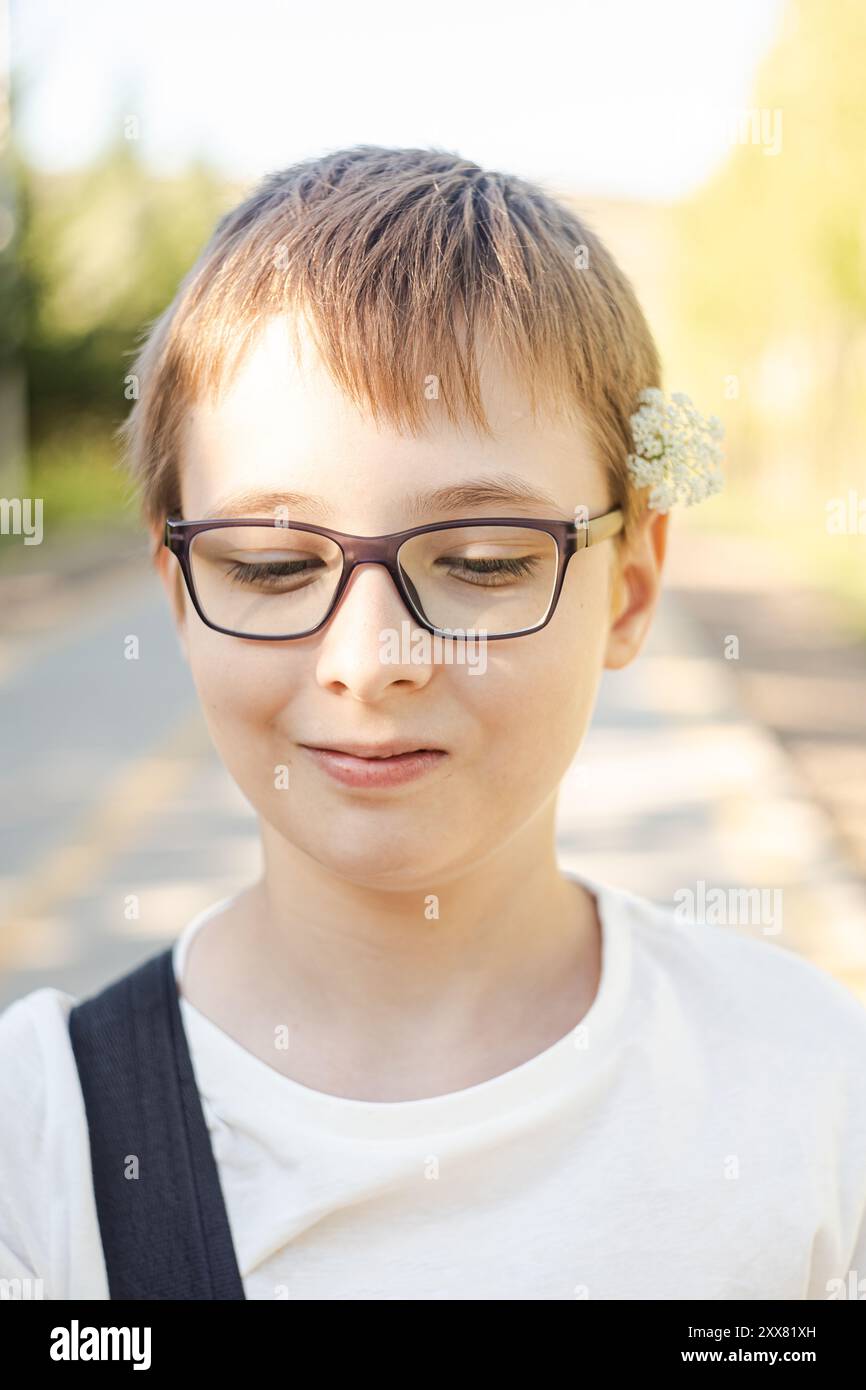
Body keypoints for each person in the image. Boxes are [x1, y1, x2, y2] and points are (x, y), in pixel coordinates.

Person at [1, 145, 864, 1302]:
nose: (368, 661)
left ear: (633, 584)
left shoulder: (812, 1088)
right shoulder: (42, 1142)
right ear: (179, 593)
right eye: (267, 566)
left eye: (479, 561)